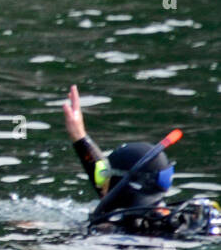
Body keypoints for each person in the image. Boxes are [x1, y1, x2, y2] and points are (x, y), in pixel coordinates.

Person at [62, 84, 219, 237]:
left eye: (103, 174)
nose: (101, 182)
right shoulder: (182, 220)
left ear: (128, 185)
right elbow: (119, 188)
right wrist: (80, 137)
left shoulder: (110, 232)